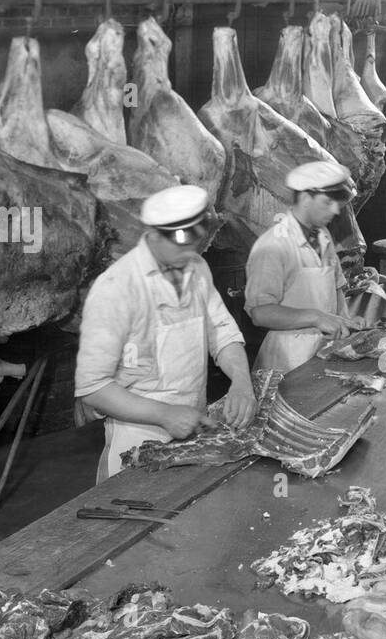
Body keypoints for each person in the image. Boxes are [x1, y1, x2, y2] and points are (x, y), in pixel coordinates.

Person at [75, 185, 256, 483]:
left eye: (196, 241)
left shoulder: (196, 267)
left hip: (195, 433)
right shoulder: (116, 287)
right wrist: (164, 414)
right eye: (182, 243)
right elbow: (93, 388)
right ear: (154, 235)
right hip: (135, 441)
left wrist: (241, 383)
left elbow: (222, 334)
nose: (191, 253)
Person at [244, 161, 363, 372]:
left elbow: (336, 286)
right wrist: (316, 317)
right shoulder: (273, 245)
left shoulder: (323, 234)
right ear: (307, 199)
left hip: (323, 353)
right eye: (328, 202)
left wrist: (346, 321)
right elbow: (260, 313)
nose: (336, 210)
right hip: (286, 363)